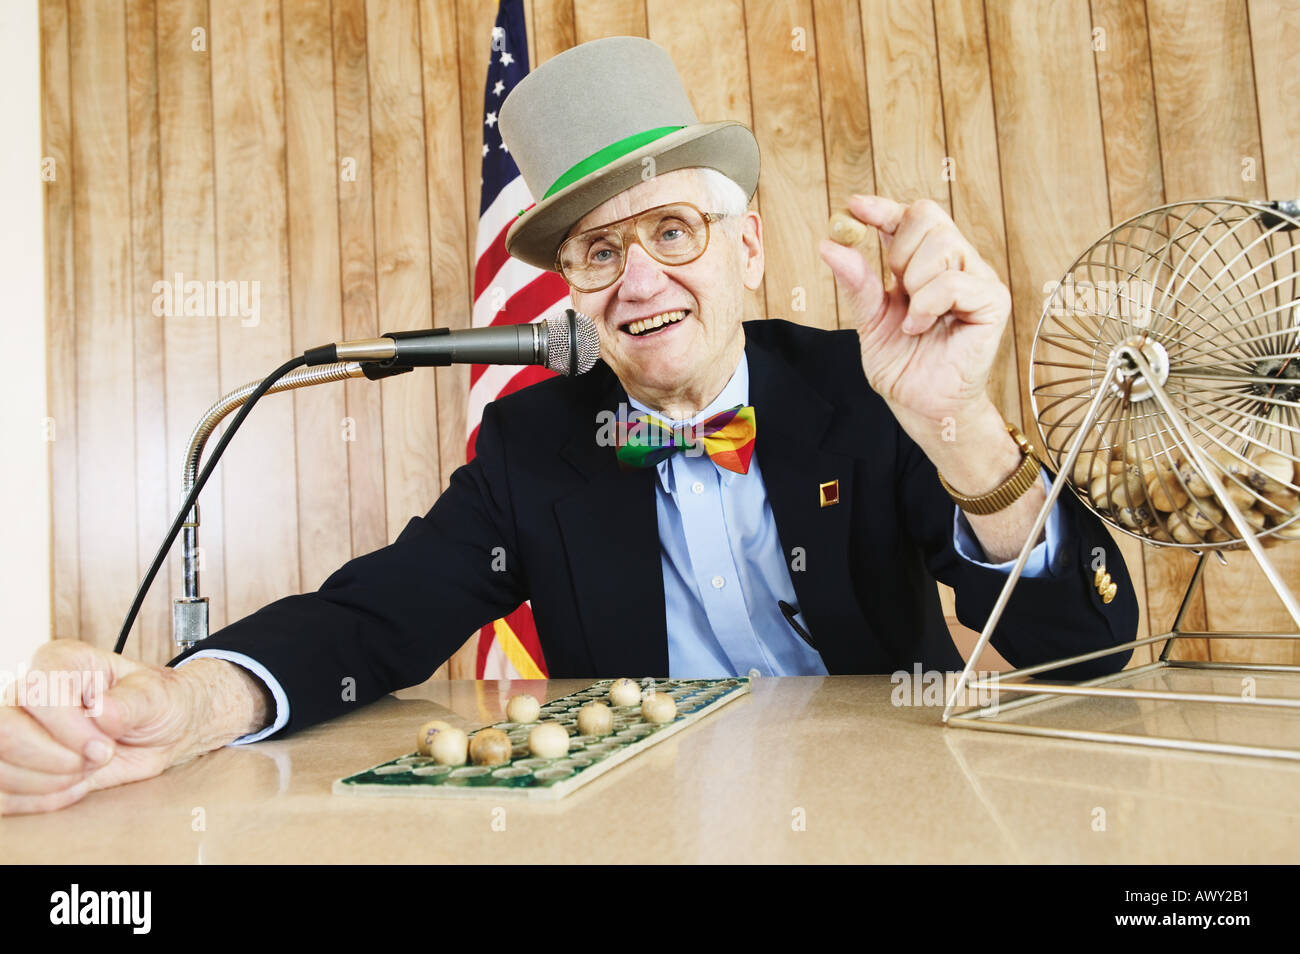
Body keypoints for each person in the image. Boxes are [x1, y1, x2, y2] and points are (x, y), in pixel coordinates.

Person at [0, 37, 1136, 815]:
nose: (638, 279)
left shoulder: (871, 390)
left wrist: (960, 426)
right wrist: (189, 702)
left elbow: (1083, 651)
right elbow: (374, 617)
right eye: (599, 251)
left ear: (745, 249)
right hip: (633, 828)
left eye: (674, 231)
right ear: (574, 294)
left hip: (894, 820)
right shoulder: (534, 445)